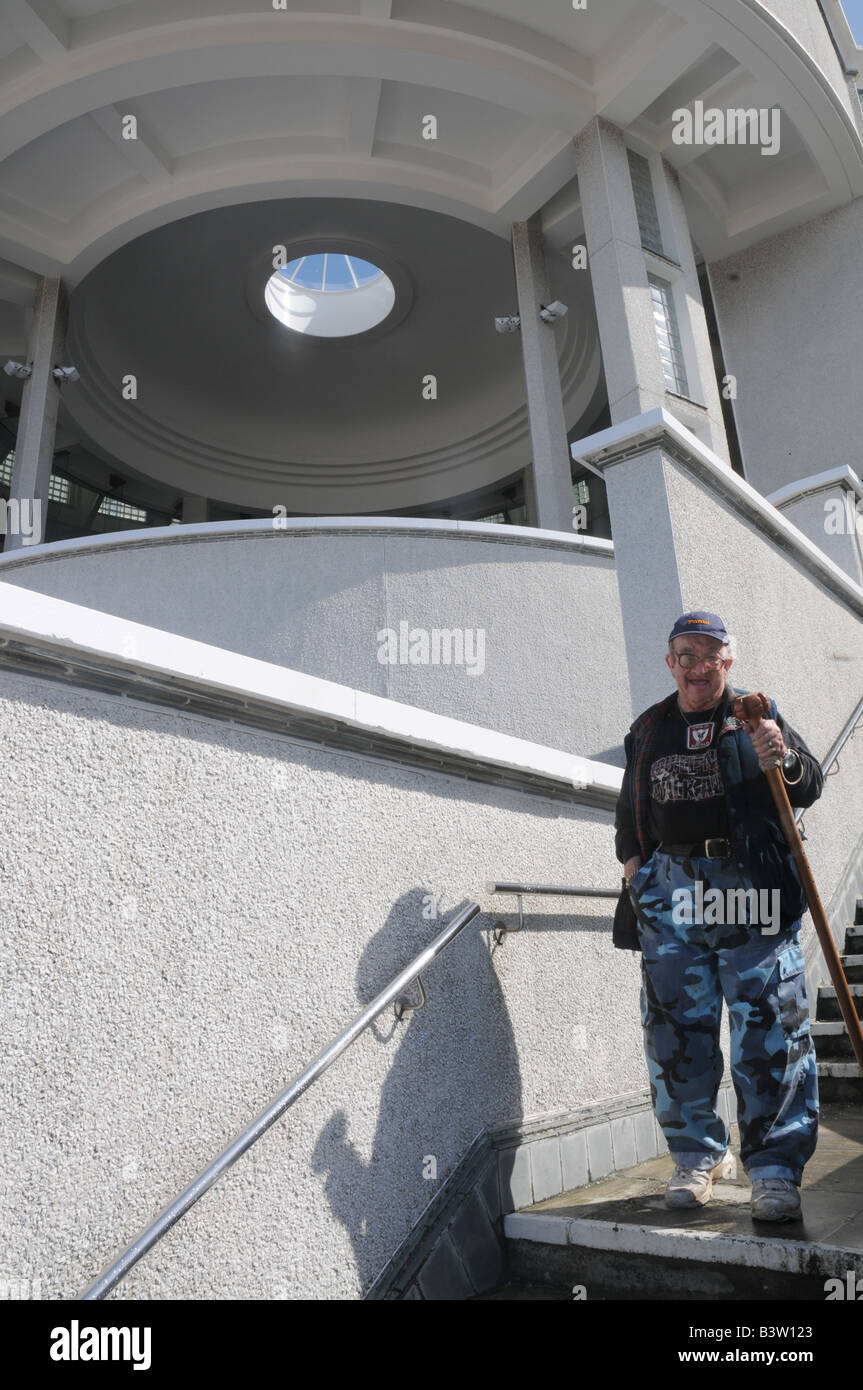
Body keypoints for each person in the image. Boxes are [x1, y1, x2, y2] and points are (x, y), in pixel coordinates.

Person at [614, 611, 822, 1222]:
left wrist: (779, 758)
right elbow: (629, 815)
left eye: (709, 655)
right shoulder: (650, 729)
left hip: (751, 891)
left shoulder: (758, 715)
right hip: (674, 896)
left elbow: (807, 784)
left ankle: (776, 1169)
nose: (697, 667)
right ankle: (697, 1156)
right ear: (670, 662)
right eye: (685, 655)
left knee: (771, 1028)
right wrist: (638, 875)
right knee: (676, 1029)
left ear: (726, 662)